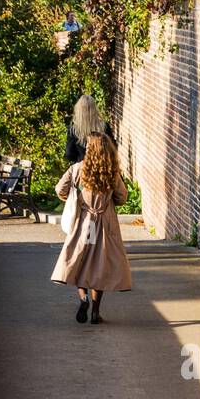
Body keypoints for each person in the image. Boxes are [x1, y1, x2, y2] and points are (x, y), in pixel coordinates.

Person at [52, 131, 132, 324]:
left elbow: (60, 189)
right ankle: (96, 312)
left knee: (80, 260)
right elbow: (122, 197)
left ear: (90, 149)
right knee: (99, 265)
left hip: (84, 223)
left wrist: (75, 199)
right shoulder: (112, 172)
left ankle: (83, 298)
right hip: (105, 224)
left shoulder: (77, 169)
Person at [65, 94, 115, 163]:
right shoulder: (104, 127)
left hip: (83, 169)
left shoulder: (73, 130)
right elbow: (113, 147)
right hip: (103, 167)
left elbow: (69, 155)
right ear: (95, 109)